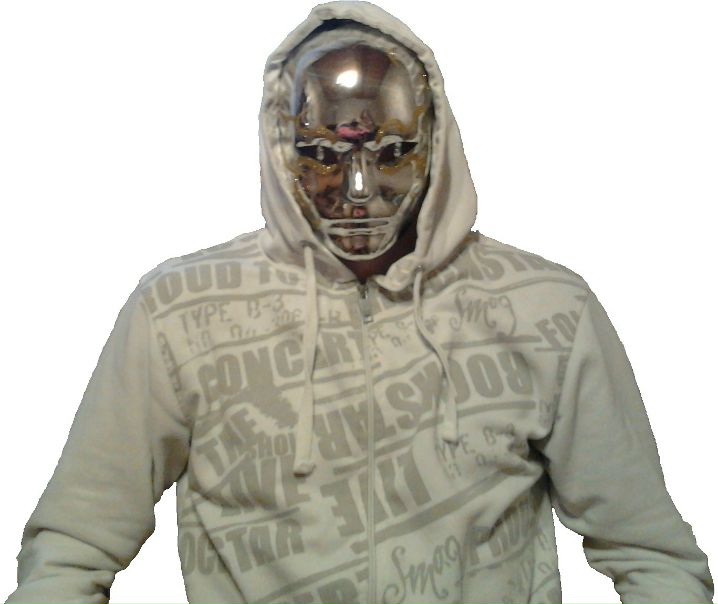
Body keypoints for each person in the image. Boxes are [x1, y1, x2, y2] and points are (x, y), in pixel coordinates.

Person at [5, 2, 713, 603]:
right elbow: (73, 547)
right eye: (322, 155)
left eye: (393, 151)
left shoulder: (543, 308)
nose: (358, 190)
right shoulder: (181, 311)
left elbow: (649, 551)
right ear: (279, 146)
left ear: (436, 141)